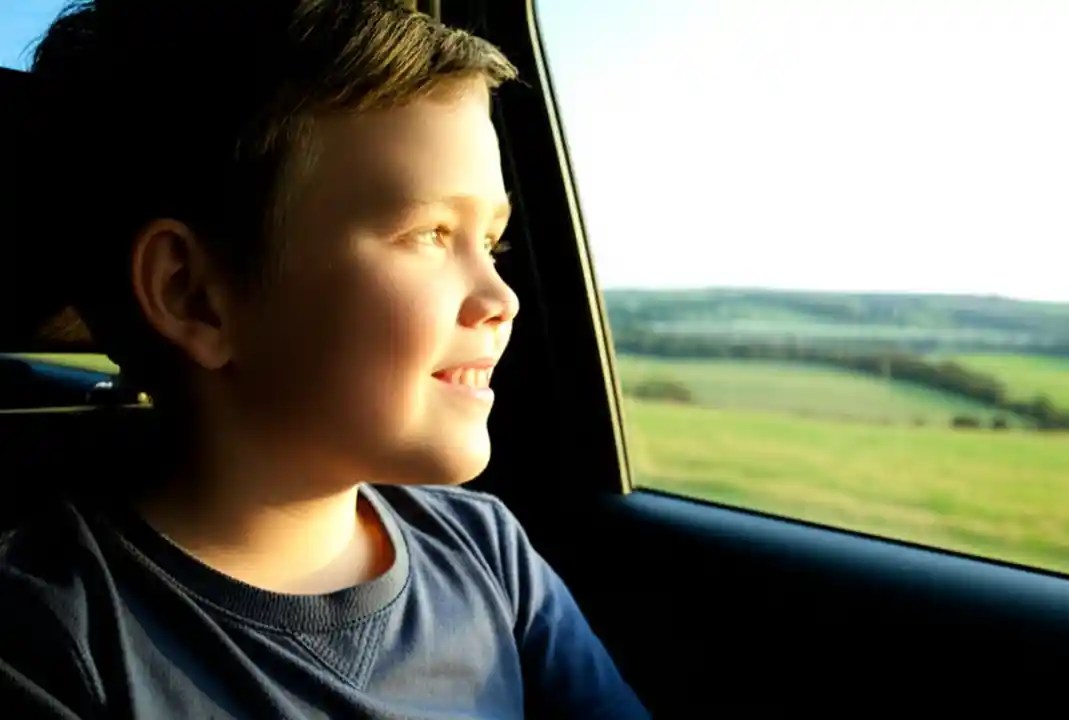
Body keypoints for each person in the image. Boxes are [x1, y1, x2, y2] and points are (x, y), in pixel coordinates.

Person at [0, 1, 649, 717]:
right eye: (431, 233)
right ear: (194, 297)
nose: (502, 297)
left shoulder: (488, 555)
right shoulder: (50, 639)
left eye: (489, 243)